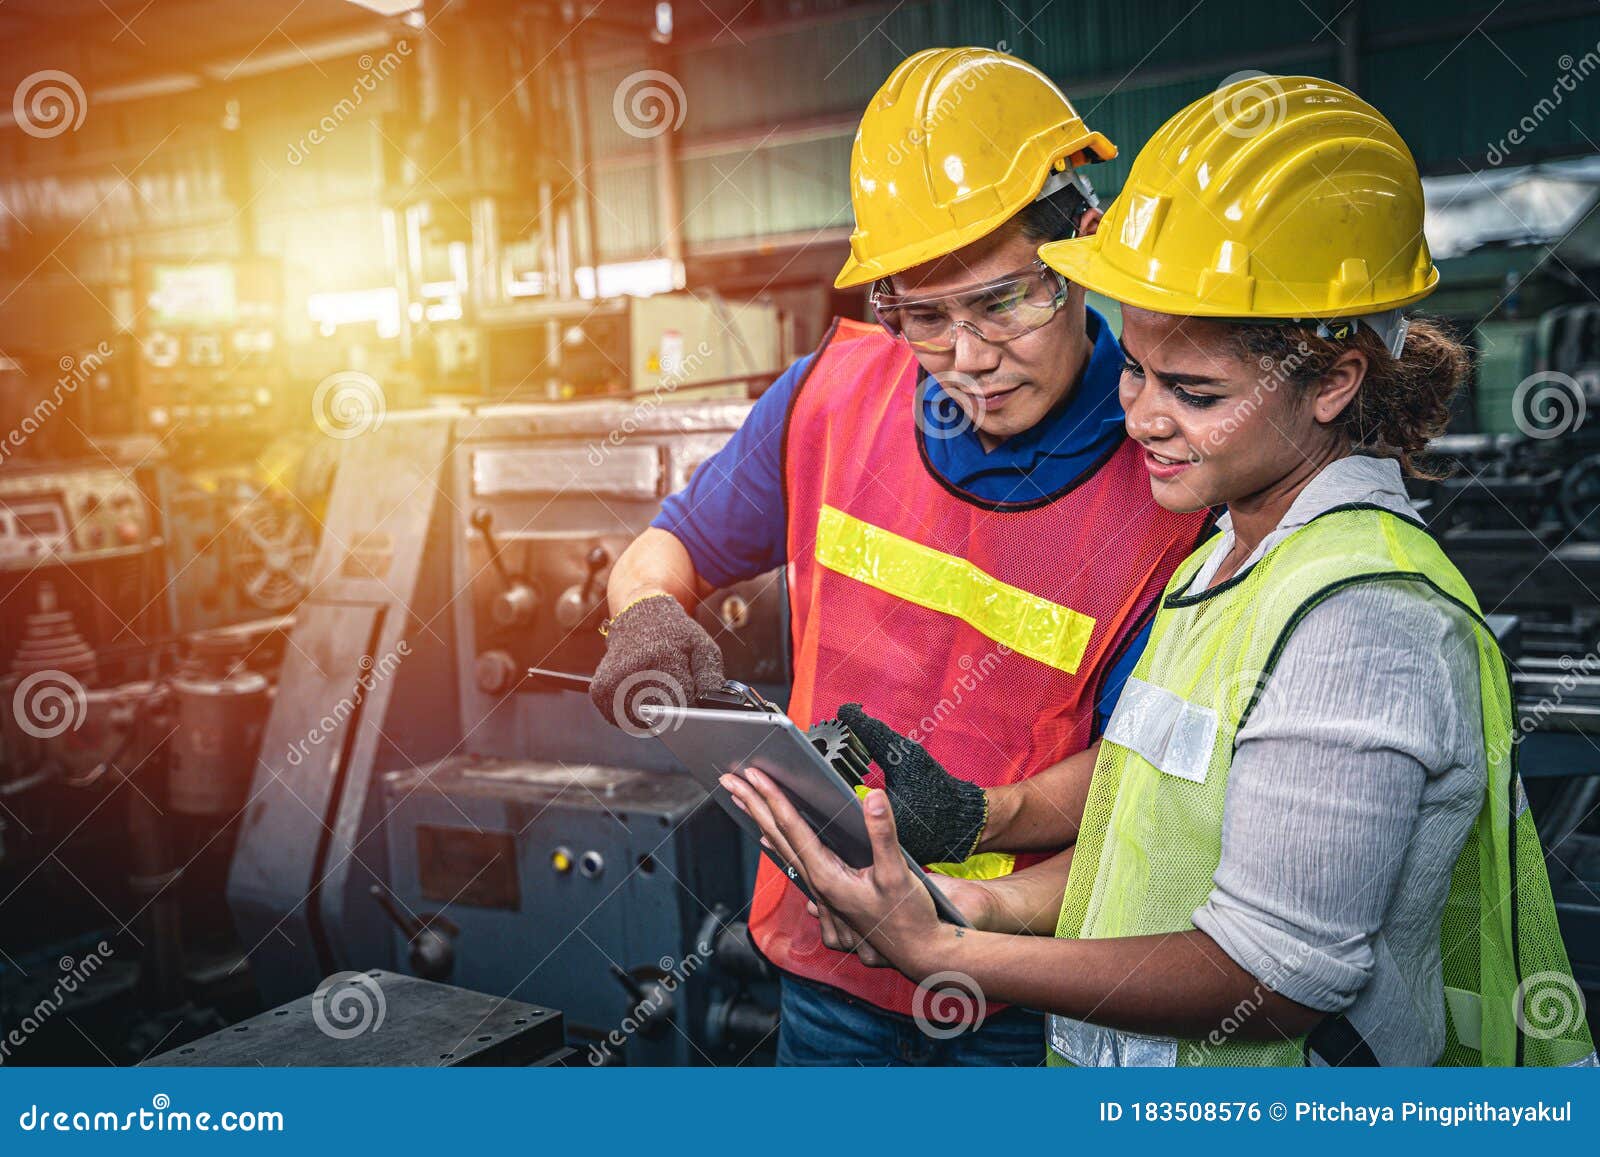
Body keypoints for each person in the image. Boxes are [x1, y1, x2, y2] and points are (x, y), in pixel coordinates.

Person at [722, 75, 1598, 1068]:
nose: (1138, 416)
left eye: (1191, 389)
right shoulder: (1228, 557)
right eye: (1135, 370)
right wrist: (974, 855)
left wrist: (947, 947)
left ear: (1332, 381)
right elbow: (1143, 812)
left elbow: (1269, 980)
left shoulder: (1361, 620)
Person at [591, 47, 1212, 1065]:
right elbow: (667, 547)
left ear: (1081, 247)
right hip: (827, 961)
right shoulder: (830, 401)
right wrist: (649, 612)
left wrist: (977, 853)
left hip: (1027, 986)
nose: (967, 357)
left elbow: (1155, 780)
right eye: (925, 315)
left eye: (1004, 301)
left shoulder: (1169, 470)